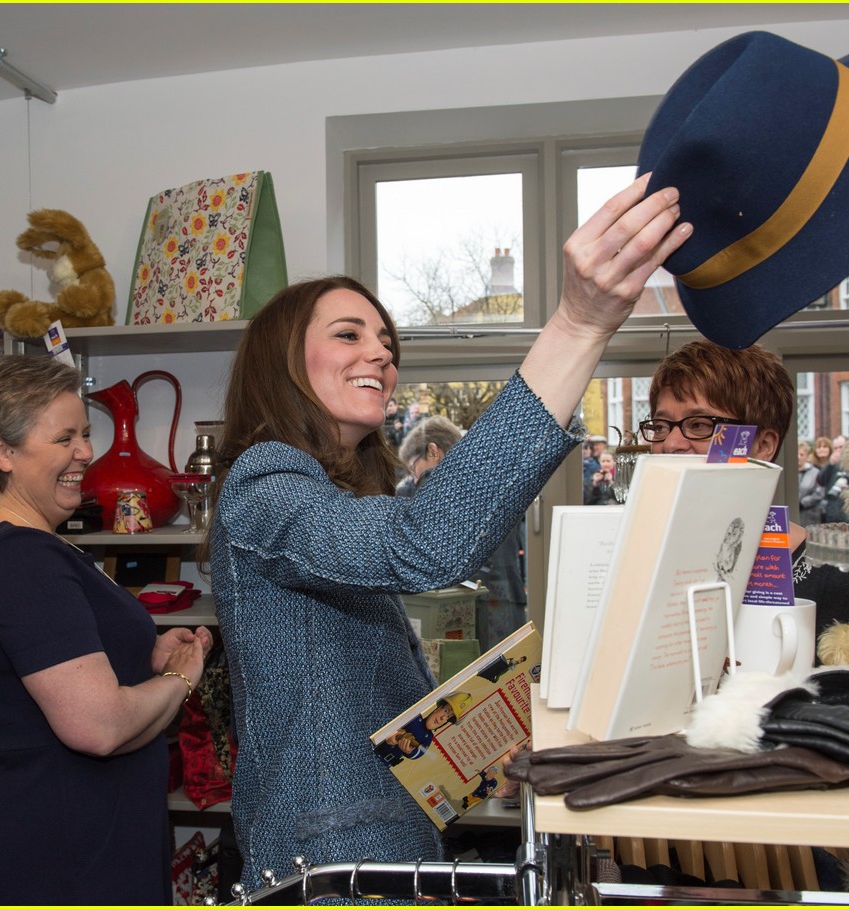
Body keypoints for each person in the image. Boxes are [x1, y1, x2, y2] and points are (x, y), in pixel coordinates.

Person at [202, 173, 690, 887]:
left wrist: (474, 734)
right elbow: (426, 541)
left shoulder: (326, 495)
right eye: (348, 334)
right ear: (284, 363)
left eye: (386, 341)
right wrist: (577, 326)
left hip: (382, 849)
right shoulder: (263, 483)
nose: (381, 355)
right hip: (333, 874)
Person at [0, 355, 214, 905]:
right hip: (63, 853)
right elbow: (99, 727)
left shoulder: (17, 548)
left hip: (75, 838)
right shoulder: (21, 559)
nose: (86, 452)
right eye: (64, 438)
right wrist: (181, 678)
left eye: (85, 434)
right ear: (1, 452)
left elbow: (55, 664)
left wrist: (144, 654)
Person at [643, 340, 849, 645]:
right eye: (660, 426)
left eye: (700, 424)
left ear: (762, 446)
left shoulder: (841, 582)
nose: (670, 443)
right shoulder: (642, 562)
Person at [398, 416, 529, 650]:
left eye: (413, 466)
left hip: (477, 604)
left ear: (433, 451)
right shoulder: (494, 472)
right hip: (509, 597)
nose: (414, 477)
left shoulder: (446, 481)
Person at [798, 439, 825, 525]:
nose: (798, 457)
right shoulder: (788, 473)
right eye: (796, 454)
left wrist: (803, 503)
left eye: (801, 454)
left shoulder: (815, 472)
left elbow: (819, 493)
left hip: (810, 516)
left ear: (807, 456)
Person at [581, 434, 608, 501]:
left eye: (597, 445)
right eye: (593, 445)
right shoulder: (588, 461)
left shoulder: (608, 459)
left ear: (604, 446)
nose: (594, 447)